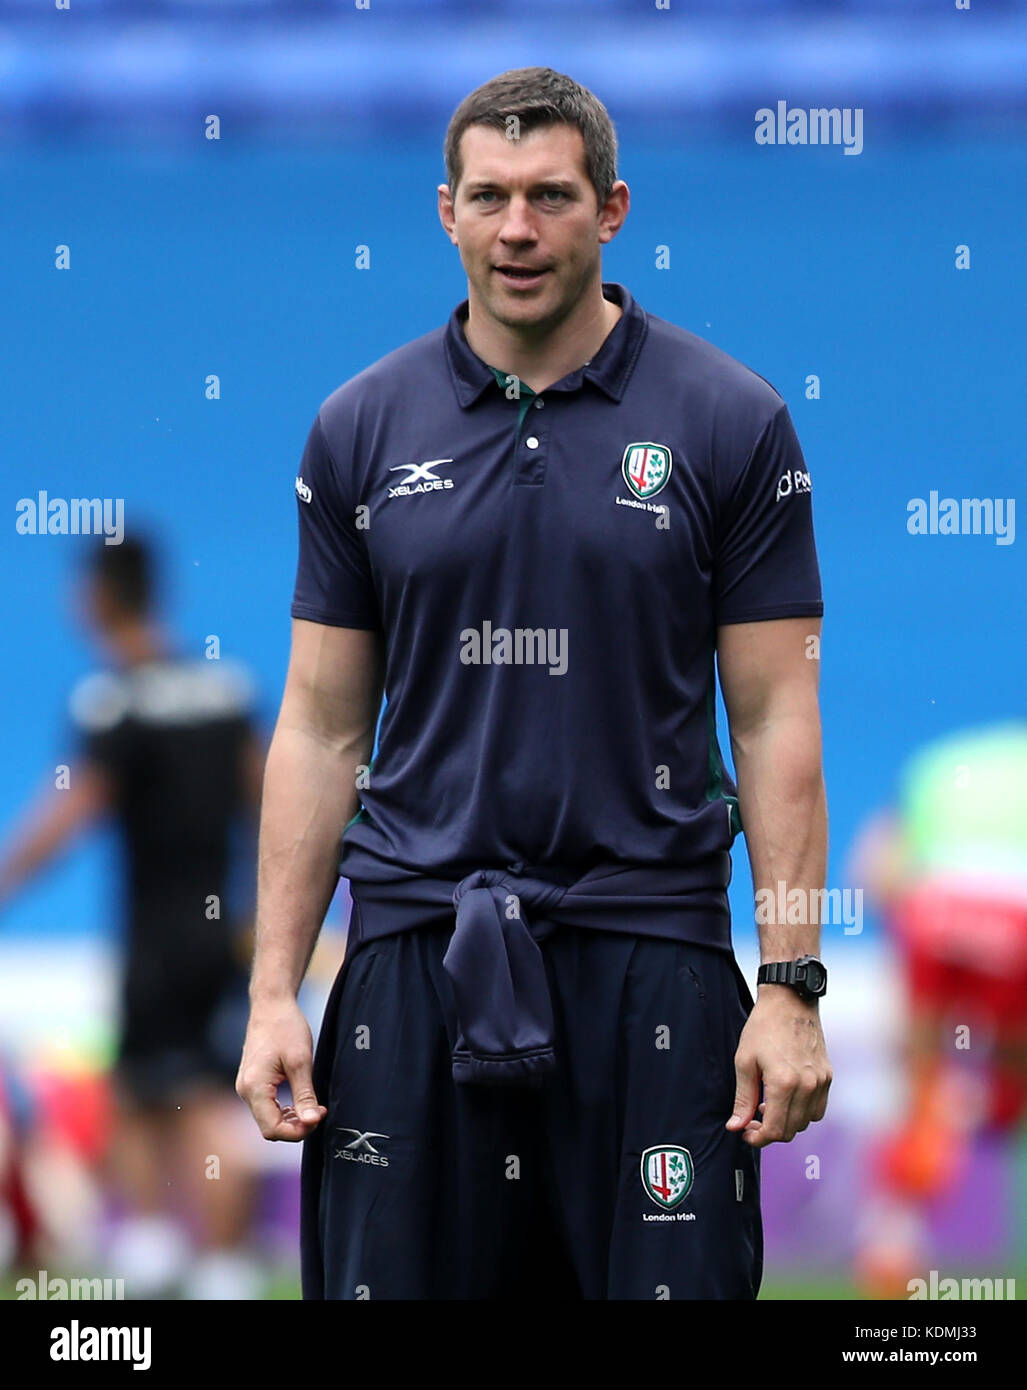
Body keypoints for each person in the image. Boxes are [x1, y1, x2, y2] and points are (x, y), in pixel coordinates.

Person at [237, 66, 832, 1301]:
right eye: (490, 196)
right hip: (412, 959)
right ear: (444, 210)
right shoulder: (359, 428)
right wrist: (272, 996)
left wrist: (788, 987)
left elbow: (775, 718)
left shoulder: (732, 419)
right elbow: (319, 725)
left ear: (611, 209)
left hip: (651, 958)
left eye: (551, 196)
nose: (518, 228)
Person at [0, 535, 266, 1298]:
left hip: (156, 932)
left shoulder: (113, 700)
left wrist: (6, 881)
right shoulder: (225, 691)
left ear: (103, 597)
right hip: (226, 927)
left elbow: (74, 809)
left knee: (181, 1094)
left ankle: (205, 1263)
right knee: (164, 1083)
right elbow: (269, 791)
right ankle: (187, 1255)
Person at [849, 721, 1027, 1295]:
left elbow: (874, 867)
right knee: (1006, 1084)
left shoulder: (945, 761)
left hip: (934, 913)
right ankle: (984, 1107)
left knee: (923, 1084)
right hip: (1018, 920)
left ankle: (892, 1245)